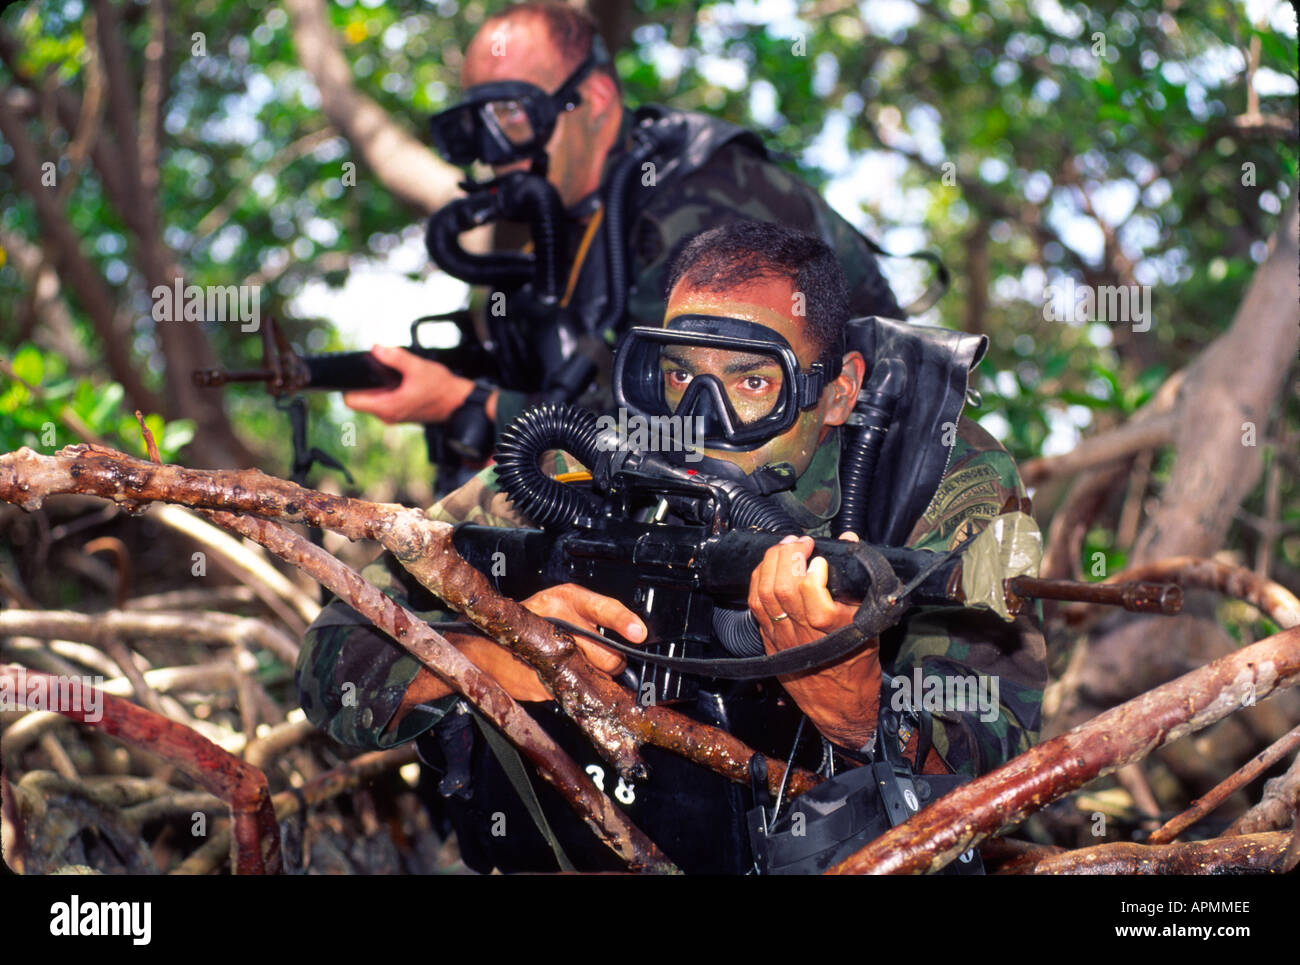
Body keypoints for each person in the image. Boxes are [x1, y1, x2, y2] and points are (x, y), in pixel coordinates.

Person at [296, 221, 1046, 874]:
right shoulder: (579, 465)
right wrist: (493, 653)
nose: (702, 415)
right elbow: (332, 664)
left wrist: (857, 716)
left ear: (840, 390)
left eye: (752, 381)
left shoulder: (936, 483)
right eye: (681, 373)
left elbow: (1000, 778)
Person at [341, 1, 906, 465]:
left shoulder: (700, 200)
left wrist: (475, 405)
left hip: (846, 483)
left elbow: (693, 413)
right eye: (476, 127)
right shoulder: (576, 225)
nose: (495, 152)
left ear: (597, 99)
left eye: (512, 115)